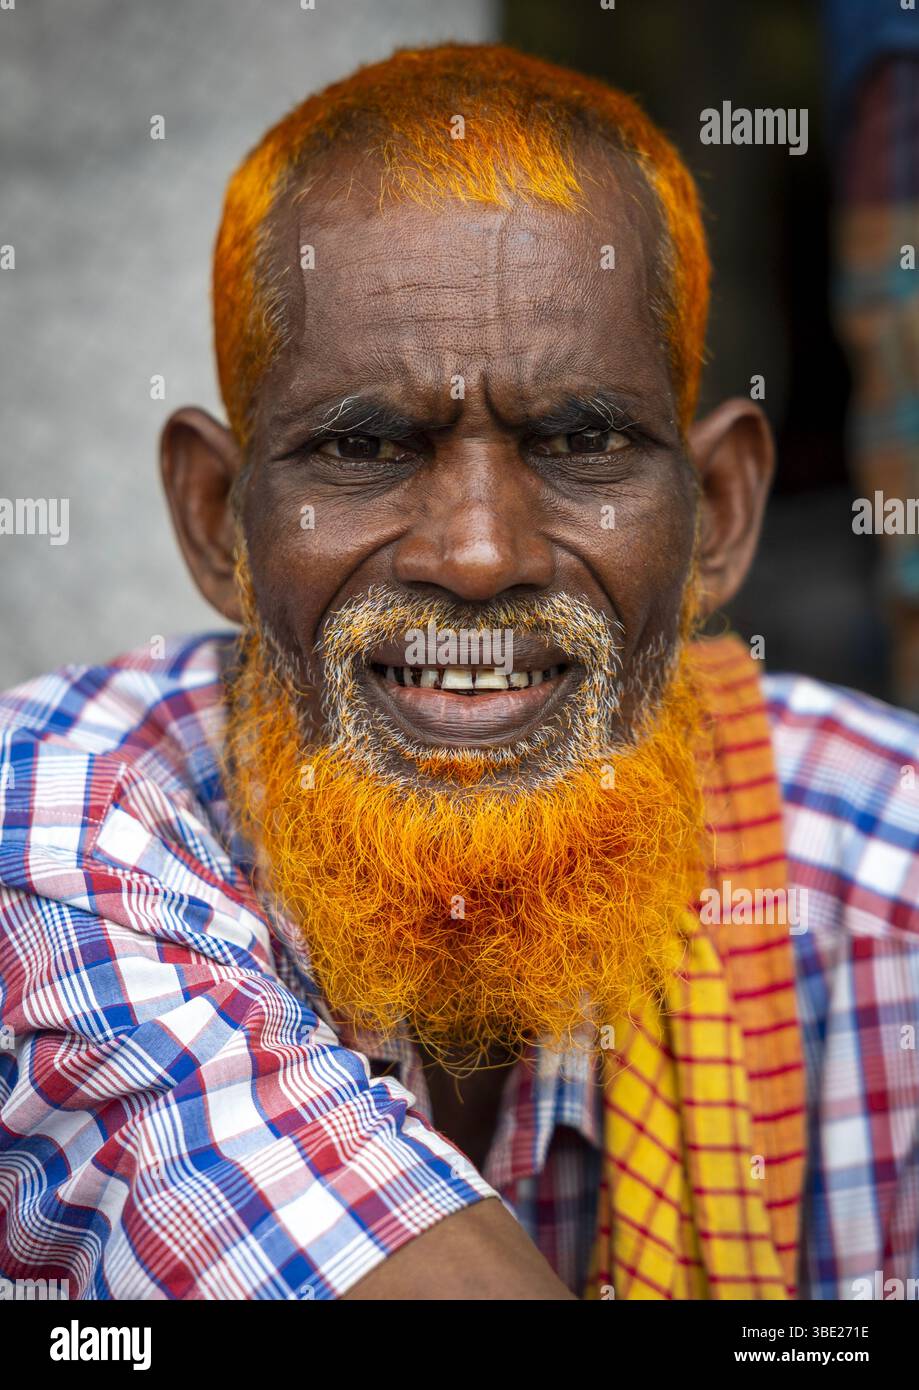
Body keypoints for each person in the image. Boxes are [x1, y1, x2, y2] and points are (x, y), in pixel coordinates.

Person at [1, 43, 917, 1301]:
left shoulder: (890, 882)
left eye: (580, 440)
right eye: (366, 446)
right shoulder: (65, 823)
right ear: (217, 519)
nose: (480, 554)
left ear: (716, 510)